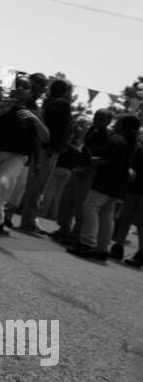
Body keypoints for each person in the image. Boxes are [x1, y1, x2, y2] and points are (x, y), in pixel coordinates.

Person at [0, 75, 49, 245]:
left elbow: (44, 137)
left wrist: (35, 120)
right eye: (17, 85)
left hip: (17, 157)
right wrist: (0, 112)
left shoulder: (34, 112)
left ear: (30, 92)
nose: (20, 89)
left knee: (2, 184)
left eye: (25, 87)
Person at [68, 115, 141, 262]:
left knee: (90, 207)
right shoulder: (131, 143)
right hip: (118, 185)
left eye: (118, 121)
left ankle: (87, 242)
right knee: (106, 214)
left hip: (105, 181)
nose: (115, 123)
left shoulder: (115, 139)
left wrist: (91, 161)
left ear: (122, 125)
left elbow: (106, 159)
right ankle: (102, 248)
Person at [17, 77, 73, 234]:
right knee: (37, 186)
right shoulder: (62, 105)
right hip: (48, 149)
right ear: (64, 91)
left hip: (46, 147)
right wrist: (52, 147)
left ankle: (29, 217)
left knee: (36, 185)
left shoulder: (48, 103)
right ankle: (28, 220)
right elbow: (57, 129)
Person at [52, 109, 113, 245]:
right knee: (66, 199)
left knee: (81, 203)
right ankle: (64, 228)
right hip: (78, 168)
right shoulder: (92, 131)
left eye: (101, 119)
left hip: (90, 172)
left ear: (108, 122)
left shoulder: (108, 137)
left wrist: (88, 169)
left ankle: (77, 232)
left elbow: (104, 158)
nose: (96, 121)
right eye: (96, 117)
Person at [111, 137, 143, 267]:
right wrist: (130, 171)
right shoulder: (140, 150)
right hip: (133, 189)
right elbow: (131, 165)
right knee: (124, 220)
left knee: (141, 225)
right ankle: (118, 247)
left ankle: (141, 254)